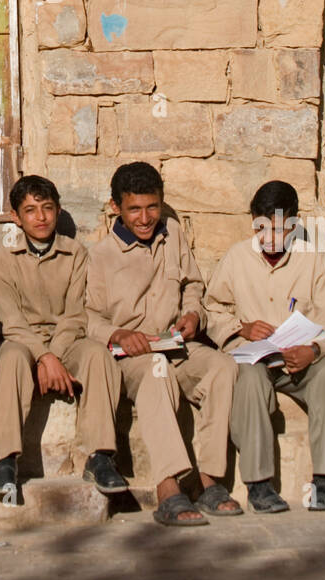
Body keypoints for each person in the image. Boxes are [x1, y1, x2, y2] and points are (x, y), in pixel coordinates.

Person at [86, 161, 240, 527]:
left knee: (223, 367)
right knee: (156, 373)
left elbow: (192, 284)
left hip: (176, 347)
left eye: (152, 207)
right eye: (134, 209)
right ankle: (168, 488)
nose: (144, 218)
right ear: (115, 208)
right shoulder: (100, 256)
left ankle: (209, 481)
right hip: (134, 358)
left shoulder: (172, 234)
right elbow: (87, 317)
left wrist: (192, 315)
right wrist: (119, 334)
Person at [204, 180, 325, 513]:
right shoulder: (237, 258)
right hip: (253, 358)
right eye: (262, 229)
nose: (271, 239)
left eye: (280, 230)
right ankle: (259, 484)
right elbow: (212, 308)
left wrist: (313, 351)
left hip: (300, 359)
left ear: (294, 225)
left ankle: (324, 480)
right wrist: (242, 327)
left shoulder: (315, 262)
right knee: (250, 379)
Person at [0, 174, 126, 502]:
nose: (41, 217)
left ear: (58, 210)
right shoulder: (3, 258)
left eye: (47, 208)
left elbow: (76, 313)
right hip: (24, 340)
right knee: (9, 361)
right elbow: (12, 320)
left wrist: (56, 356)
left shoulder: (75, 253)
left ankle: (101, 456)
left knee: (97, 355)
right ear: (16, 217)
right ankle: (6, 460)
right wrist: (44, 357)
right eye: (31, 210)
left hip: (67, 339)